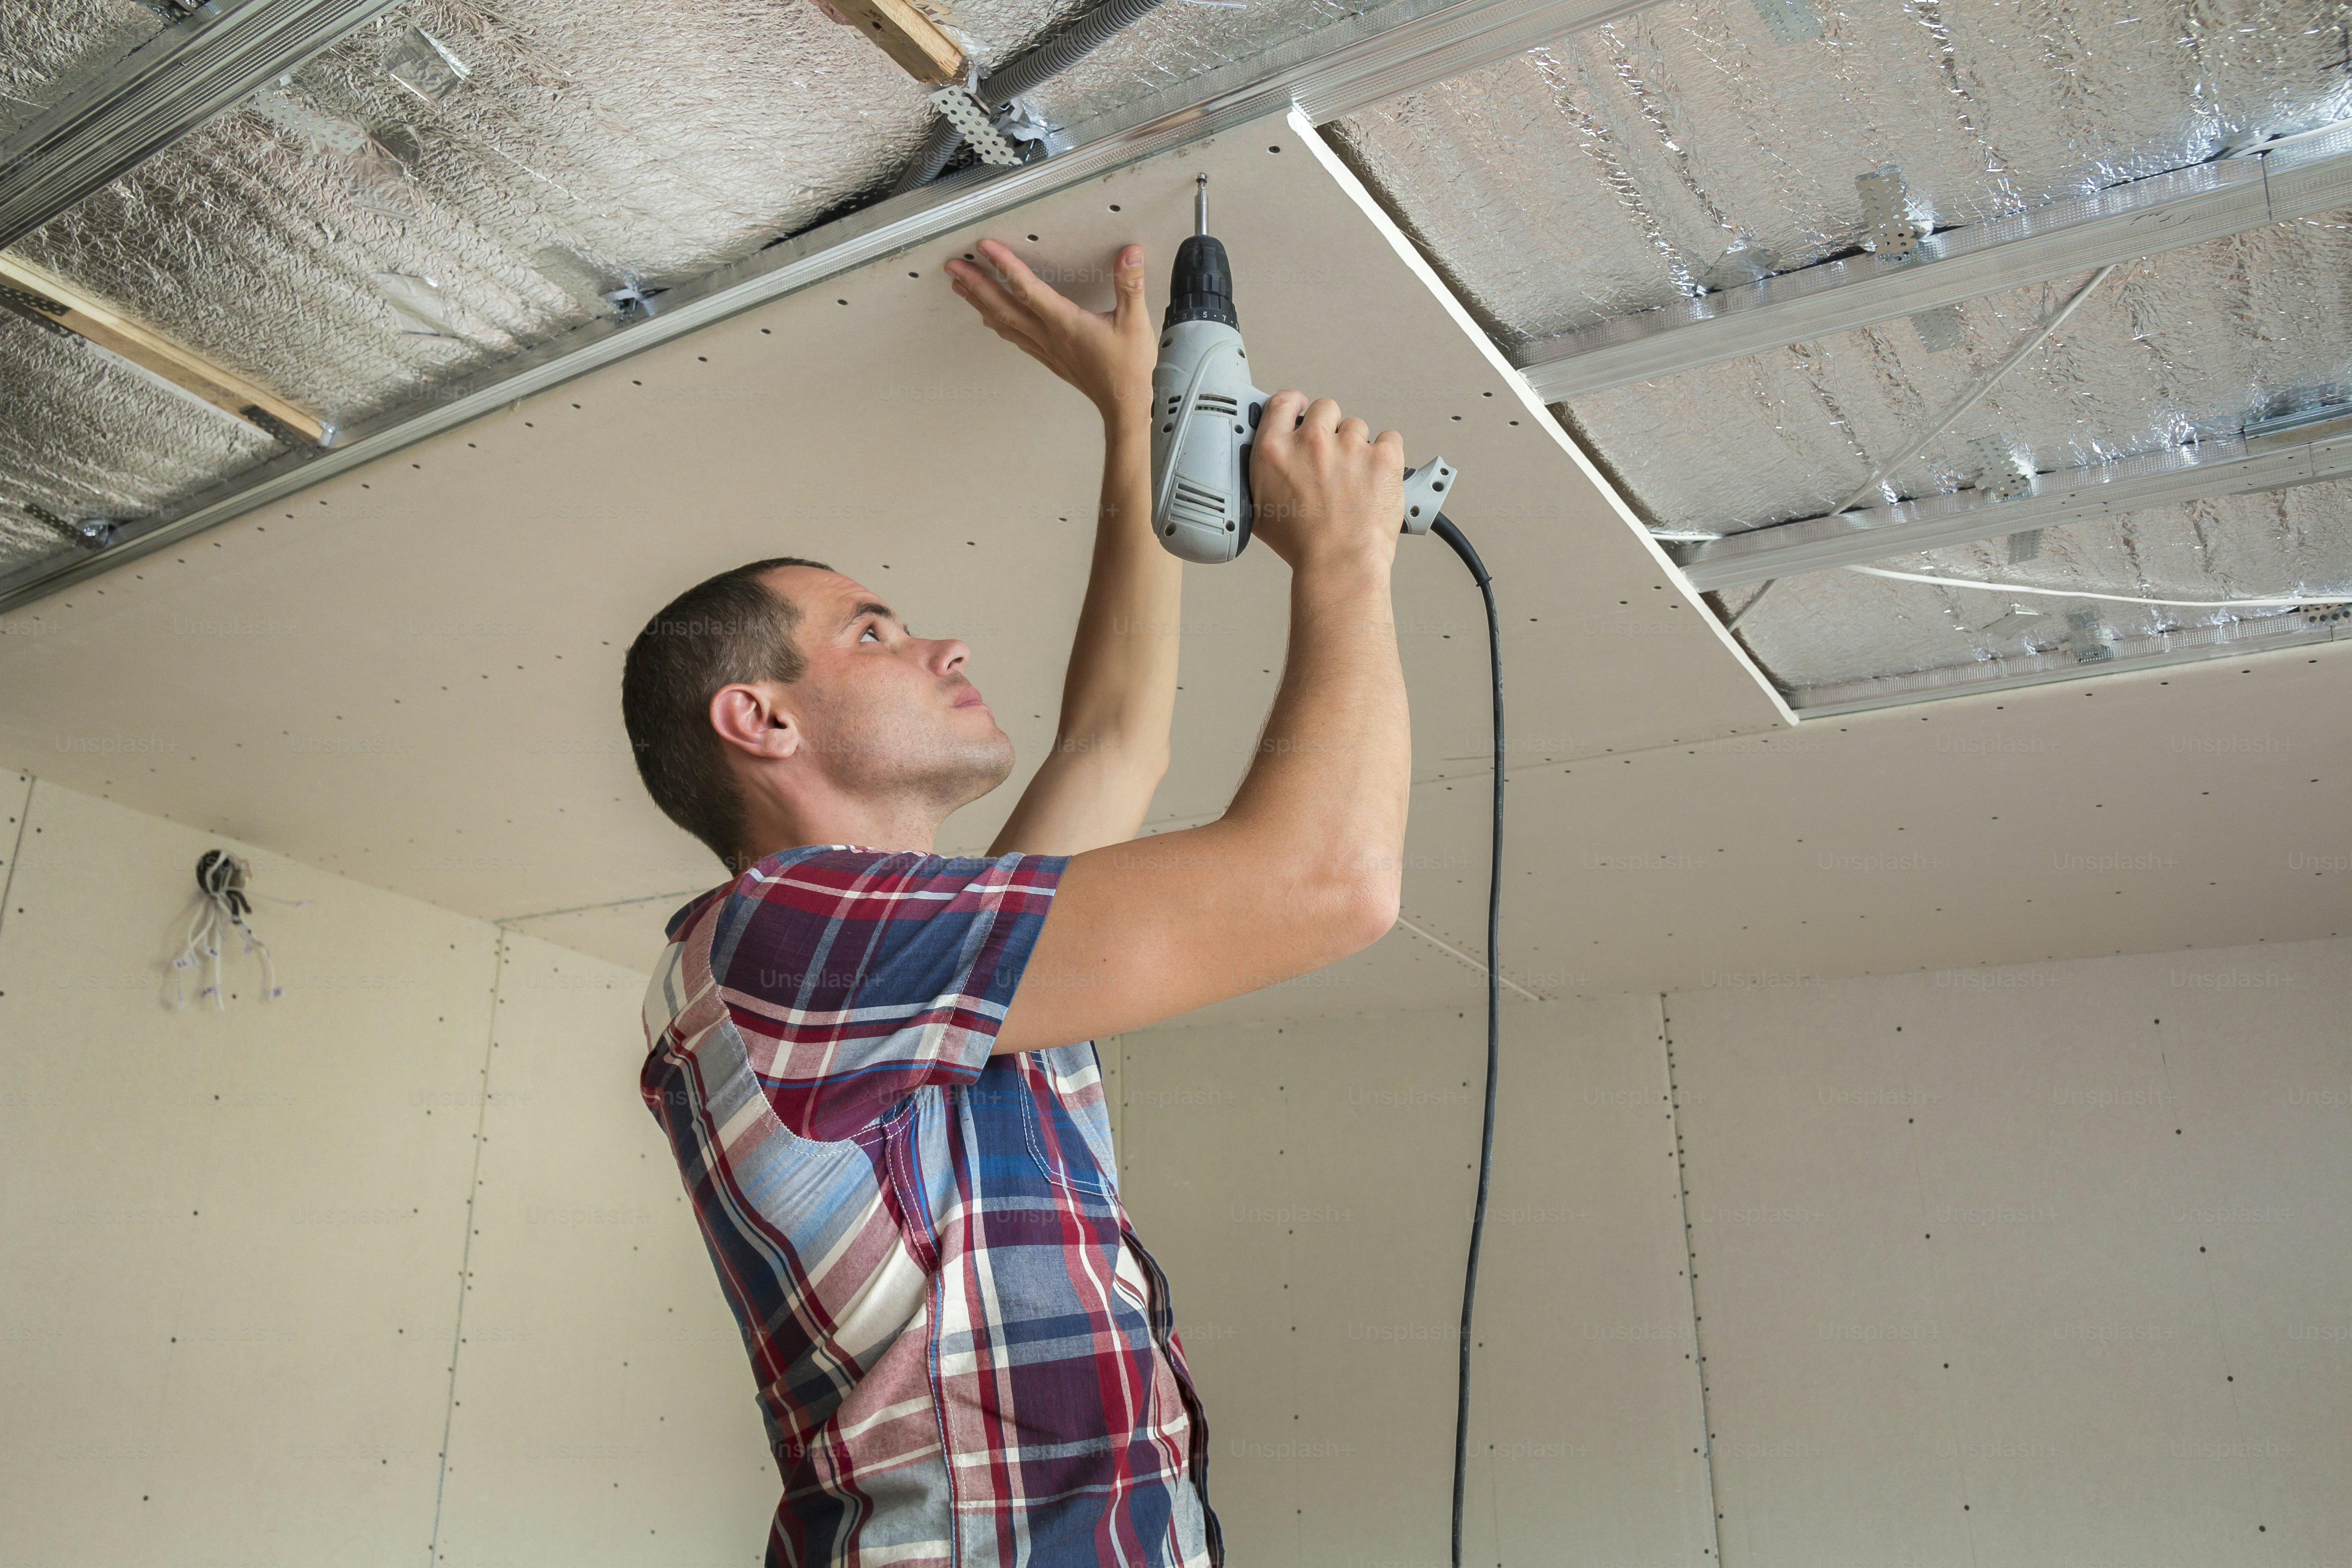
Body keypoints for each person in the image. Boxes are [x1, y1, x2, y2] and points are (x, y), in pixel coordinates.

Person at [620, 235, 1412, 1568]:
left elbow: (1112, 744)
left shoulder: (904, 972)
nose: (946, 644)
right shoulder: (775, 939)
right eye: (872, 632)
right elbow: (1325, 883)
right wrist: (1344, 563)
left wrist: (1133, 417)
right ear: (758, 720)